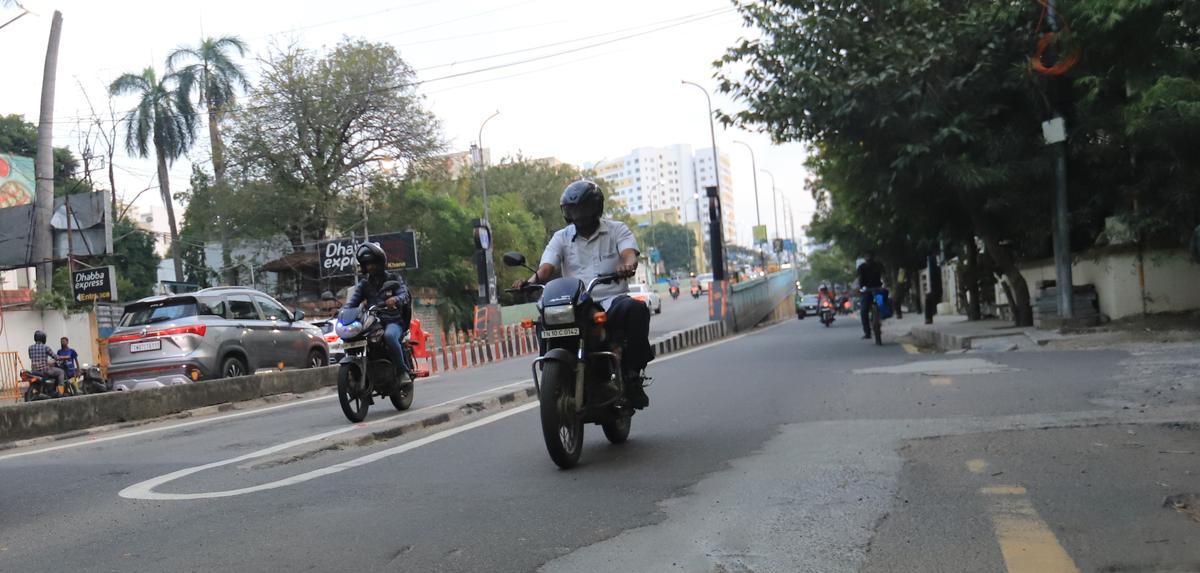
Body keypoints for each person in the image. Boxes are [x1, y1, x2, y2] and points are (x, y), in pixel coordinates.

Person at [513, 180, 652, 408]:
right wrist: (529, 282)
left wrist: (628, 264)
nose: (577, 214)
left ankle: (632, 376)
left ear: (596, 207)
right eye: (572, 209)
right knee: (544, 318)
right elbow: (546, 269)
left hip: (610, 300)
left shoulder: (617, 230)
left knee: (636, 309)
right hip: (577, 302)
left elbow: (629, 253)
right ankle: (553, 371)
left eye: (582, 208)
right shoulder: (561, 237)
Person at [344, 242, 412, 376]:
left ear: (380, 263)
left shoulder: (393, 278)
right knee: (355, 337)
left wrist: (395, 299)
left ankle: (402, 371)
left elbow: (404, 295)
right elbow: (352, 303)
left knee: (389, 336)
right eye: (367, 264)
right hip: (371, 324)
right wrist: (343, 311)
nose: (370, 267)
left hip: (392, 321)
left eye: (372, 263)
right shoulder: (364, 284)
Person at [856, 251, 886, 339]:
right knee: (864, 311)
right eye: (867, 256)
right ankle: (867, 332)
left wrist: (885, 284)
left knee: (881, 306)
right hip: (866, 291)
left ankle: (880, 320)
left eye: (870, 256)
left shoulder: (879, 265)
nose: (868, 258)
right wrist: (859, 288)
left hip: (877, 290)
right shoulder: (861, 267)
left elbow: (884, 276)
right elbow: (859, 279)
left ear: (873, 257)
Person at [28, 330, 65, 397]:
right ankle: (61, 393)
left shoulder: (30, 348)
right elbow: (55, 357)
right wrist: (65, 357)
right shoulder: (46, 347)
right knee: (61, 372)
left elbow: (31, 357)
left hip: (34, 371)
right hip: (44, 371)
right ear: (43, 338)